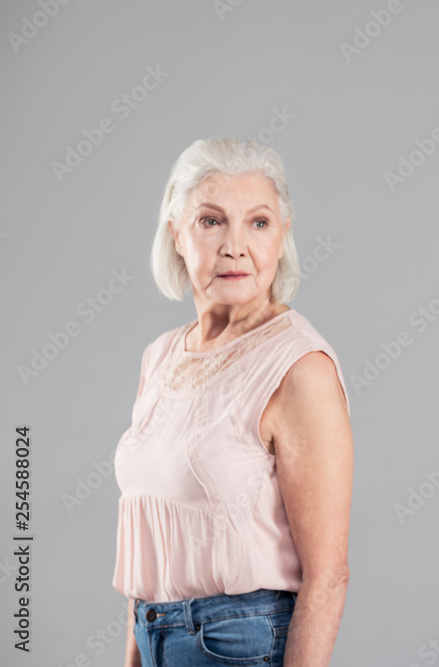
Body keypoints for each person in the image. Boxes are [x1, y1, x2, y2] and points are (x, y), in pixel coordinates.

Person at [112, 138, 354, 667]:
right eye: (211, 221)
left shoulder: (299, 367)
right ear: (176, 234)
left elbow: (328, 576)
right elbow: (149, 543)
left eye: (258, 223)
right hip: (152, 632)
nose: (235, 246)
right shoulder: (159, 356)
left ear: (282, 234)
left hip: (238, 646)